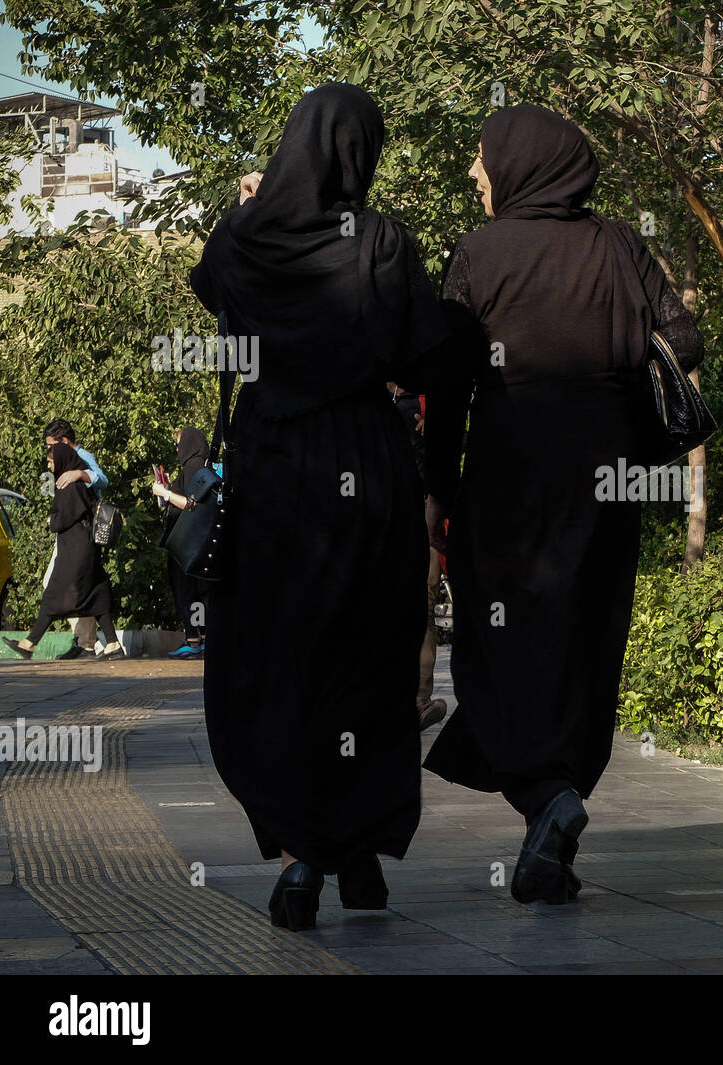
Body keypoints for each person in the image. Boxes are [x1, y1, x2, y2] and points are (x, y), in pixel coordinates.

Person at [422, 105, 703, 905]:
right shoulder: (619, 243)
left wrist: (438, 488)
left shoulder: (479, 254)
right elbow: (683, 341)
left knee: (496, 648)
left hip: (509, 480)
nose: (476, 175)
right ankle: (553, 830)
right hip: (608, 478)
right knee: (584, 641)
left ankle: (548, 799)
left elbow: (446, 385)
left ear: (518, 164)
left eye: (481, 160)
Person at [188, 83, 453, 931]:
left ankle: (302, 861)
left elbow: (208, 289)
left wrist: (246, 212)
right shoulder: (379, 241)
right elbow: (423, 353)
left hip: (272, 469)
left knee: (280, 659)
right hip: (366, 469)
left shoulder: (244, 239)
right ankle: (362, 847)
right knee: (366, 656)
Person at [4, 444, 124, 661]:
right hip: (83, 548)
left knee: (53, 594)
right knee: (96, 594)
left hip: (74, 552)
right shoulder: (75, 483)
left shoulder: (69, 485)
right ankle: (113, 644)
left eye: (51, 461)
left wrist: (52, 521)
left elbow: (65, 518)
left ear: (61, 459)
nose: (50, 466)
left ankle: (29, 643)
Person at [386, 380, 448, 730]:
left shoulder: (427, 398)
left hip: (424, 511)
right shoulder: (368, 401)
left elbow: (449, 449)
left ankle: (419, 700)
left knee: (423, 601)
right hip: (383, 513)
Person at [41, 419, 109, 660]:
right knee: (74, 586)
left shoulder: (82, 456)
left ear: (65, 442)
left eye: (51, 446)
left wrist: (79, 473)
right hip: (68, 538)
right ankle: (87, 642)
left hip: (81, 535)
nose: (49, 452)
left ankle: (86, 643)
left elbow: (102, 479)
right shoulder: (62, 461)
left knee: (64, 584)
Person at [152, 427, 210, 659]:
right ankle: (201, 638)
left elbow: (191, 504)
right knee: (196, 591)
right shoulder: (201, 466)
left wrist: (164, 493)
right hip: (194, 540)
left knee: (185, 590)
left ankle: (193, 638)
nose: (177, 449)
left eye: (179, 444)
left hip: (184, 541)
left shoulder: (192, 468)